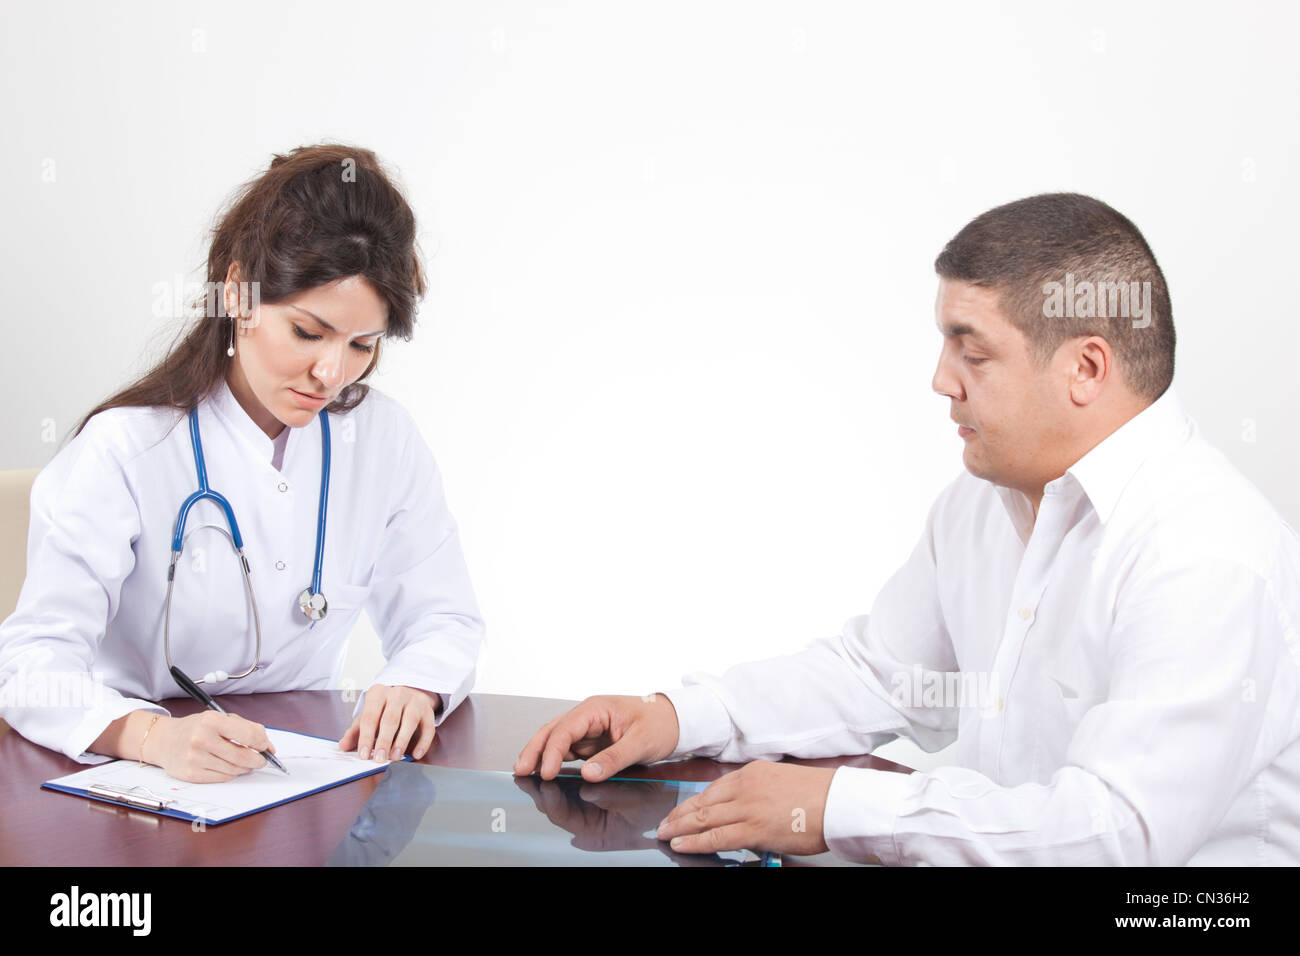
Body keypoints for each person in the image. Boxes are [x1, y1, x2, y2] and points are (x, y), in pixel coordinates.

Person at [515, 193, 1300, 865]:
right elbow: (877, 674)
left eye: (972, 349)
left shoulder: (1206, 552)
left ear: (1086, 370)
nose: (939, 379)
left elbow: (1113, 837)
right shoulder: (985, 501)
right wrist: (678, 716)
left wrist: (839, 808)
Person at [0, 144, 484, 783]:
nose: (332, 373)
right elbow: (31, 665)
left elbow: (442, 617)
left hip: (300, 773)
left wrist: (414, 685)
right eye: (308, 333)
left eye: (363, 344)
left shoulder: (383, 438)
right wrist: (151, 737)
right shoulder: (125, 449)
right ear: (238, 294)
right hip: (138, 778)